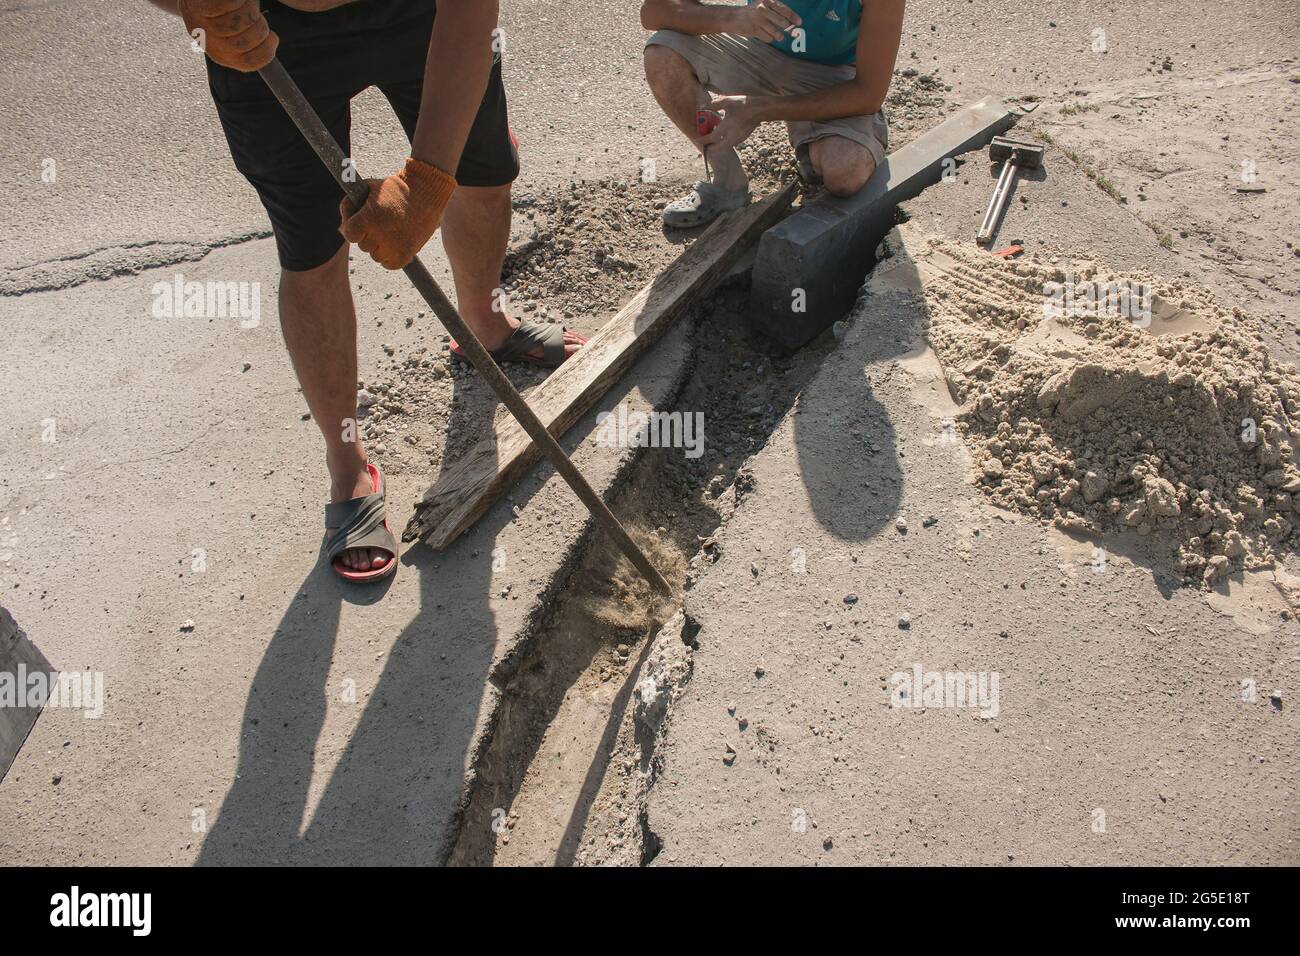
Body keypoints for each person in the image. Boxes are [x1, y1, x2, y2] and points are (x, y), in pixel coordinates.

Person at [147, 0, 585, 582]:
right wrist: (191, 6)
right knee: (313, 251)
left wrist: (427, 182)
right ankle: (347, 463)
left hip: (421, 11)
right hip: (264, 25)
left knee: (481, 175)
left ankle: (484, 323)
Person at [641, 0, 904, 227]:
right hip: (757, 48)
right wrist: (732, 18)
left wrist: (758, 109)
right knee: (663, 53)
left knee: (845, 171)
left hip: (832, 75)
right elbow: (654, 11)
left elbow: (868, 93)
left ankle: (820, 146)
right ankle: (727, 180)